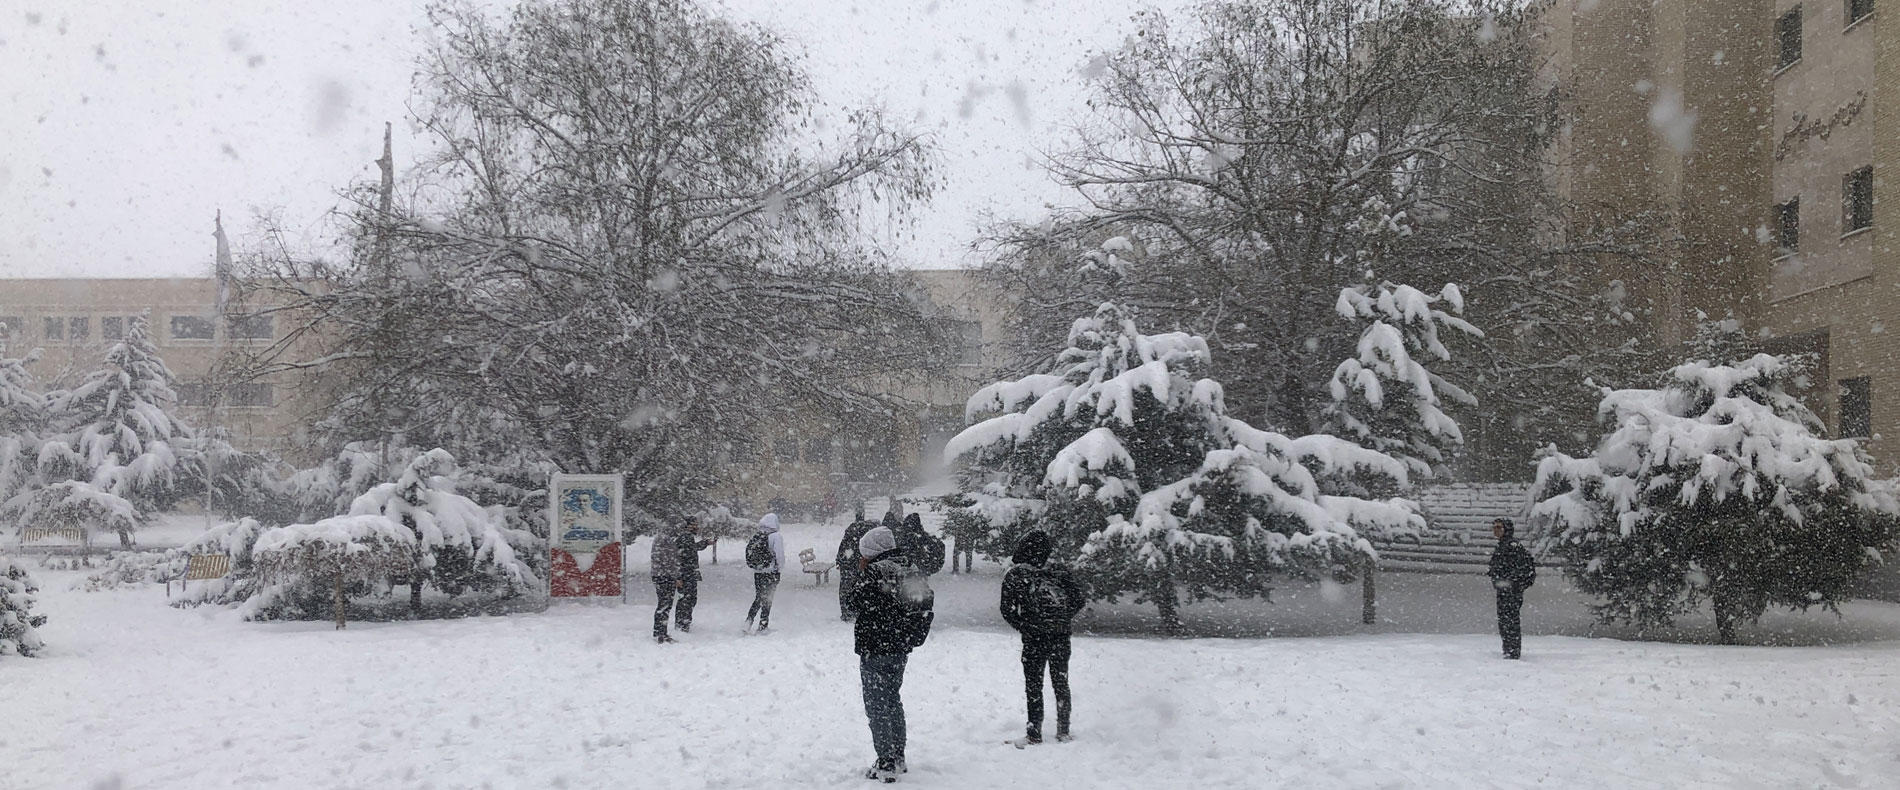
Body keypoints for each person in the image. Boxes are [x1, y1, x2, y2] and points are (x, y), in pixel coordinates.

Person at [851, 525, 930, 782]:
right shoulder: (909, 568)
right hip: (900, 646)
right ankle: (898, 756)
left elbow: (853, 602)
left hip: (875, 647)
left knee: (877, 705)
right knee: (893, 700)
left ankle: (885, 761)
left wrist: (862, 576)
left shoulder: (875, 571)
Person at [999, 531, 1084, 746]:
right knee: (1061, 682)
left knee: (1034, 685)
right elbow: (1078, 600)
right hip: (1060, 636)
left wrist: (1025, 625)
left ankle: (1034, 731)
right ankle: (1063, 730)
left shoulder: (1016, 575)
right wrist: (1061, 619)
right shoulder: (1059, 572)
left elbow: (1006, 609)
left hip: (1034, 638)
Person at [651, 515, 715, 643]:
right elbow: (672, 558)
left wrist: (704, 543)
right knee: (675, 602)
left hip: (670, 574)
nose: (695, 527)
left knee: (671, 603)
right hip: (673, 574)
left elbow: (685, 551)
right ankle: (674, 628)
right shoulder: (671, 539)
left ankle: (664, 631)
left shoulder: (669, 538)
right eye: (692, 524)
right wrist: (677, 576)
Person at [1487, 517, 1537, 659]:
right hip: (1503, 591)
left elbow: (1522, 569)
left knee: (1510, 620)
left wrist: (1511, 584)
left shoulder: (1513, 546)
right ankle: (1508, 649)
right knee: (1504, 620)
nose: (1495, 530)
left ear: (1506, 529)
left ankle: (1512, 651)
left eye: (1499, 527)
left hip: (1511, 592)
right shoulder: (1503, 545)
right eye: (1494, 527)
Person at [744, 513, 786, 635]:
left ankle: (748, 622)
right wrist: (779, 568)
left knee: (759, 597)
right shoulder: (776, 536)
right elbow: (779, 555)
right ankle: (763, 625)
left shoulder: (759, 535)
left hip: (758, 572)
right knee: (768, 598)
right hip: (771, 572)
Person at [837, 503, 877, 622]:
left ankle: (846, 612)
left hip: (848, 561)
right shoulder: (868, 530)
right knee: (859, 586)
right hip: (859, 560)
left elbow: (844, 545)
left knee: (845, 587)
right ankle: (858, 610)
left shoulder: (851, 529)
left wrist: (840, 559)